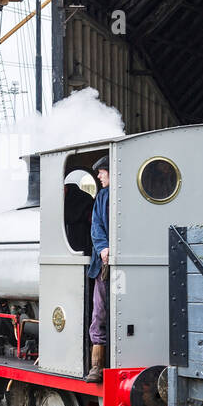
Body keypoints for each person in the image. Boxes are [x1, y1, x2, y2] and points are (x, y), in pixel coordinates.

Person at [86, 155, 110, 383]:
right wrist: (103, 248)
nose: (99, 176)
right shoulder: (102, 197)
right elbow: (97, 227)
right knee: (99, 311)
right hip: (104, 264)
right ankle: (97, 365)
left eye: (102, 172)